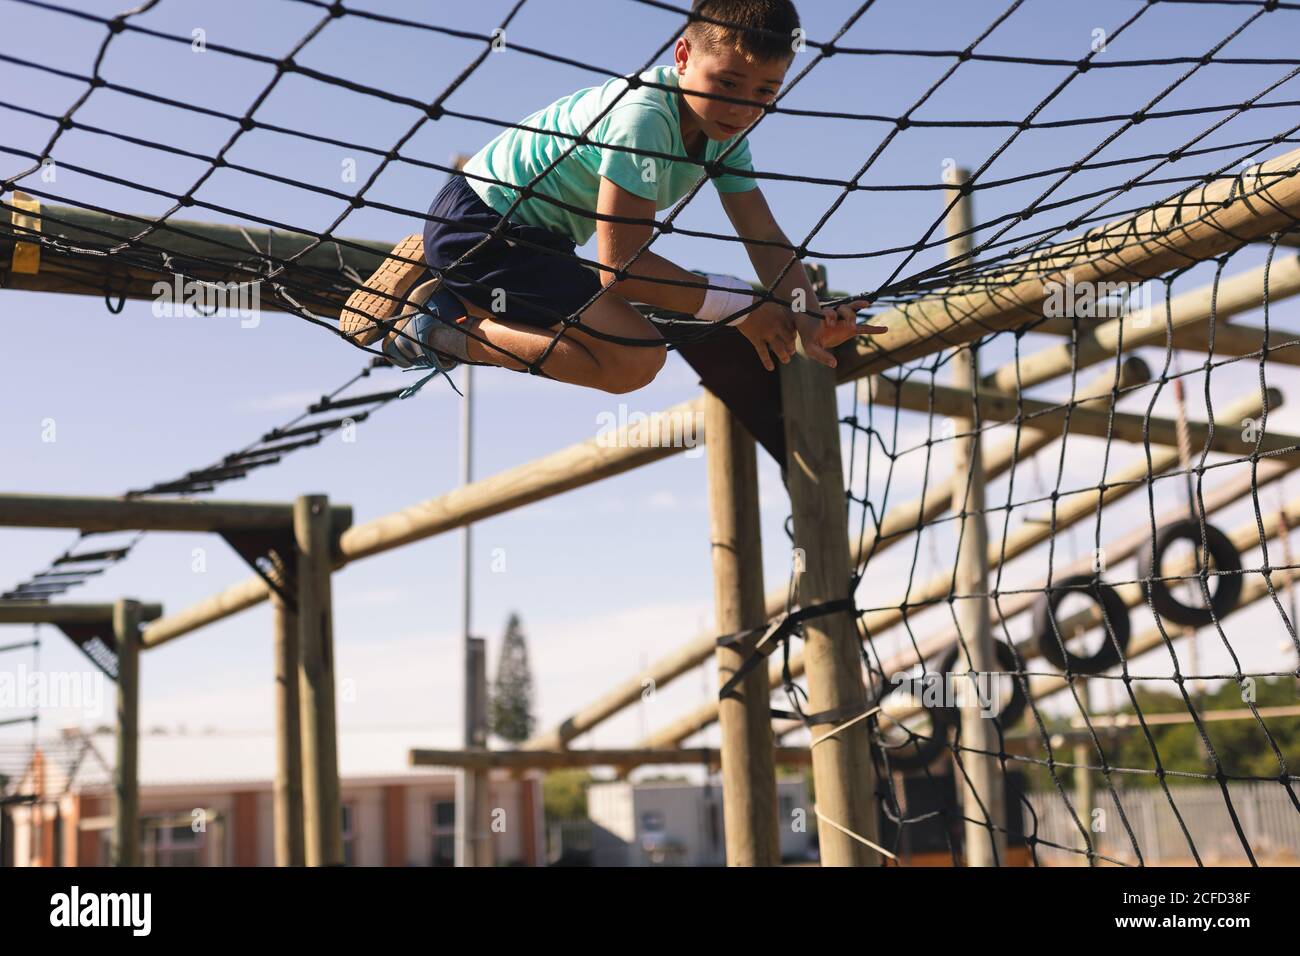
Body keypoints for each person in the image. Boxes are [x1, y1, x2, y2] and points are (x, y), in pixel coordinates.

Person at [340, 0, 884, 397]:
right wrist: (743, 305)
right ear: (683, 55)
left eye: (765, 92)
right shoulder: (644, 116)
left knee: (633, 355)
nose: (743, 108)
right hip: (485, 229)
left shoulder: (726, 136)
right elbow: (621, 268)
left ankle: (454, 292)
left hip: (532, 240)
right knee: (635, 359)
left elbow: (764, 238)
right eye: (728, 84)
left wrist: (805, 314)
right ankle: (441, 326)